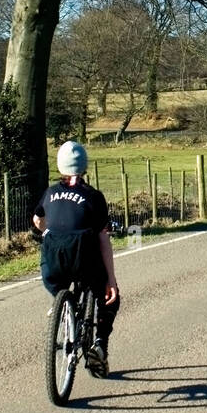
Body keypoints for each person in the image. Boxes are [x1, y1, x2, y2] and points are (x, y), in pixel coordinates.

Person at [32, 141, 120, 378]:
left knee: (57, 279)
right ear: (84, 166)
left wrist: (51, 231)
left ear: (60, 165)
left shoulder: (50, 192)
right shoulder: (93, 196)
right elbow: (103, 238)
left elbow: (38, 221)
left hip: (53, 262)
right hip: (84, 259)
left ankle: (60, 305)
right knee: (110, 298)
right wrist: (110, 280)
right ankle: (99, 343)